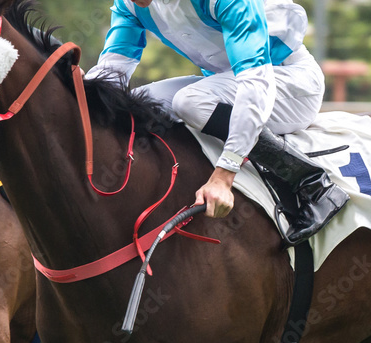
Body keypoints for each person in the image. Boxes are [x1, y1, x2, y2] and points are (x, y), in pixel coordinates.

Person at [86, 0, 348, 245]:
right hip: (228, 83)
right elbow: (110, 76)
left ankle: (312, 183)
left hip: (290, 85)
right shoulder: (129, 5)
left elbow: (255, 84)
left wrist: (224, 176)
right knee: (137, 103)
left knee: (189, 102)